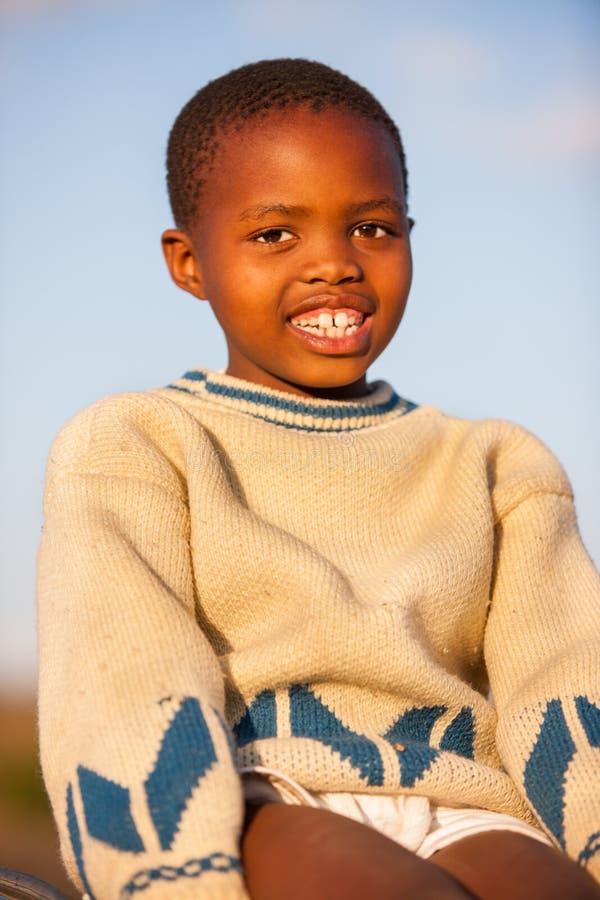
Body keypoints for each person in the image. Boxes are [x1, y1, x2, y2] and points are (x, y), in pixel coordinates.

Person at [37, 58, 600, 900]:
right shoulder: (137, 445)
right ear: (189, 263)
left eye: (371, 228)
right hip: (262, 799)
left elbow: (566, 680)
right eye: (275, 235)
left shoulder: (498, 466)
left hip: (469, 805)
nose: (335, 263)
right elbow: (120, 681)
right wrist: (171, 877)